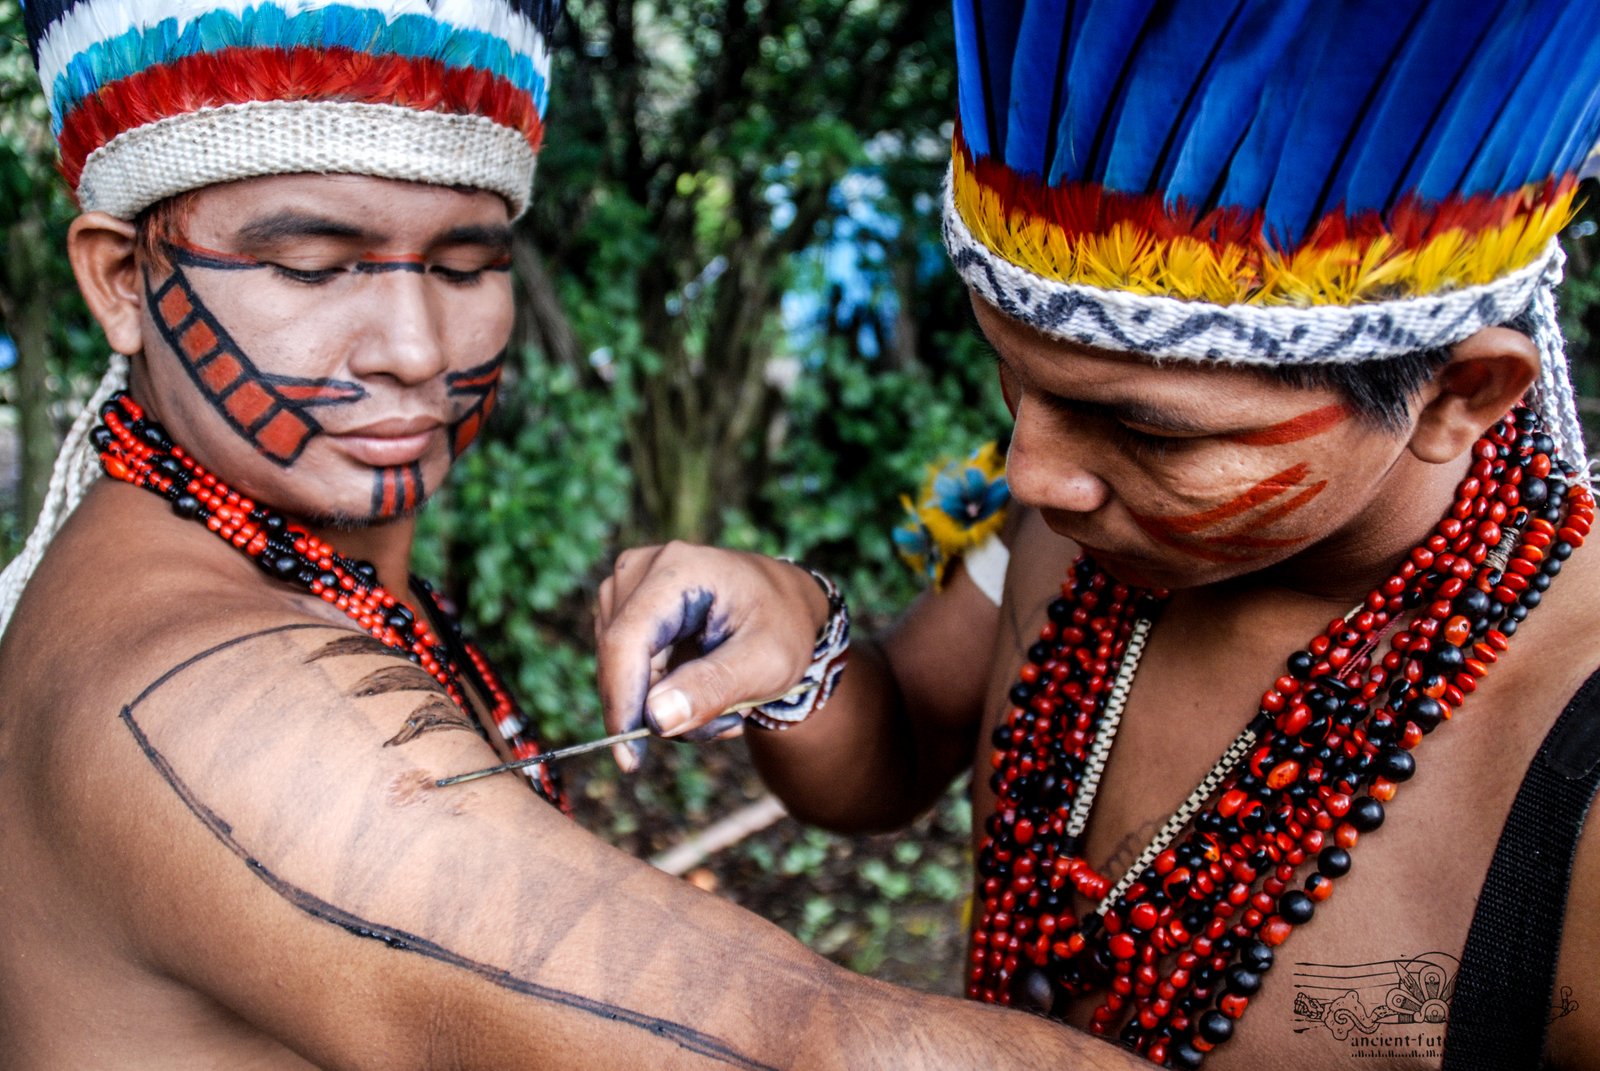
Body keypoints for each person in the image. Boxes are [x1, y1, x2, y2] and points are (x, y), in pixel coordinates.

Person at [0, 1, 1153, 1067]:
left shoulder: (260, 567)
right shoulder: (225, 702)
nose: (413, 345)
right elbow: (810, 1046)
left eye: (466, 264)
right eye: (313, 266)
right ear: (119, 280)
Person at [595, 2, 1600, 1067]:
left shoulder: (1570, 762)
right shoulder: (1069, 520)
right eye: (1011, 380)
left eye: (1144, 428)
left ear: (1459, 395)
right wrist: (799, 652)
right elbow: (891, 755)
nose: (1029, 473)